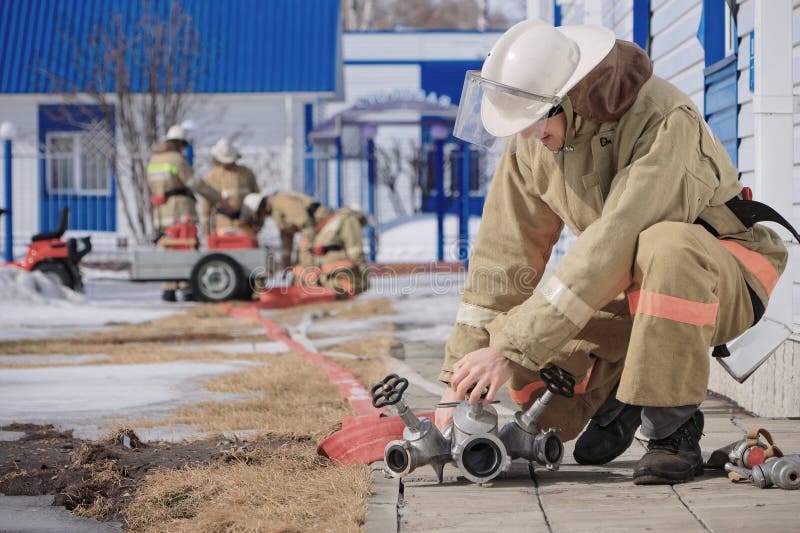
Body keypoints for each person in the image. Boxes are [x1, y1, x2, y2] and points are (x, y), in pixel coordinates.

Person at [434, 19, 789, 486]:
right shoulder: (536, 142)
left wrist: (510, 346)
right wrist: (453, 386)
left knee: (666, 245)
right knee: (539, 406)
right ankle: (620, 392)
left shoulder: (661, 119)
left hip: (726, 271)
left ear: (571, 96)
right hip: (625, 278)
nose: (527, 138)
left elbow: (617, 239)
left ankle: (672, 431)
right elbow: (500, 263)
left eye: (534, 124)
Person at [240, 192, 369, 295]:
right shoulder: (277, 213)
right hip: (315, 232)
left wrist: (310, 247)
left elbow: (305, 222)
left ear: (261, 207)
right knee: (301, 268)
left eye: (258, 214)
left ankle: (326, 286)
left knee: (309, 264)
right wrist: (286, 263)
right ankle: (306, 288)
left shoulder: (280, 201)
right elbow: (286, 238)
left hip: (319, 229)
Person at [146, 124, 197, 302]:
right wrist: (215, 197)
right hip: (180, 210)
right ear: (179, 144)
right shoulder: (176, 159)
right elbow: (194, 182)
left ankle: (168, 288)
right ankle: (185, 286)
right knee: (184, 246)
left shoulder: (154, 160)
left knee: (168, 247)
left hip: (161, 212)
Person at [199, 138, 260, 236]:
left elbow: (257, 201)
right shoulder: (212, 177)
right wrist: (207, 233)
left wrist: (258, 223)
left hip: (245, 226)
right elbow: (206, 207)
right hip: (223, 226)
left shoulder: (246, 174)